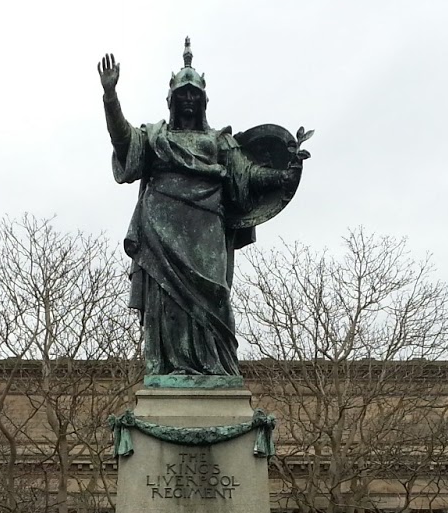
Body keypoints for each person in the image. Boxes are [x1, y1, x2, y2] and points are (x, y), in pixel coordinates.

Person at [98, 39, 298, 376]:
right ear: (172, 99)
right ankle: (167, 368)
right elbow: (124, 142)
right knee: (167, 302)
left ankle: (215, 369)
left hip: (206, 227)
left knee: (214, 299)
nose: (188, 98)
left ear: (203, 100)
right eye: (182, 93)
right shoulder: (154, 135)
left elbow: (246, 175)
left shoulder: (219, 140)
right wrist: (110, 98)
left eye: (194, 94)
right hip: (160, 226)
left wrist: (282, 174)